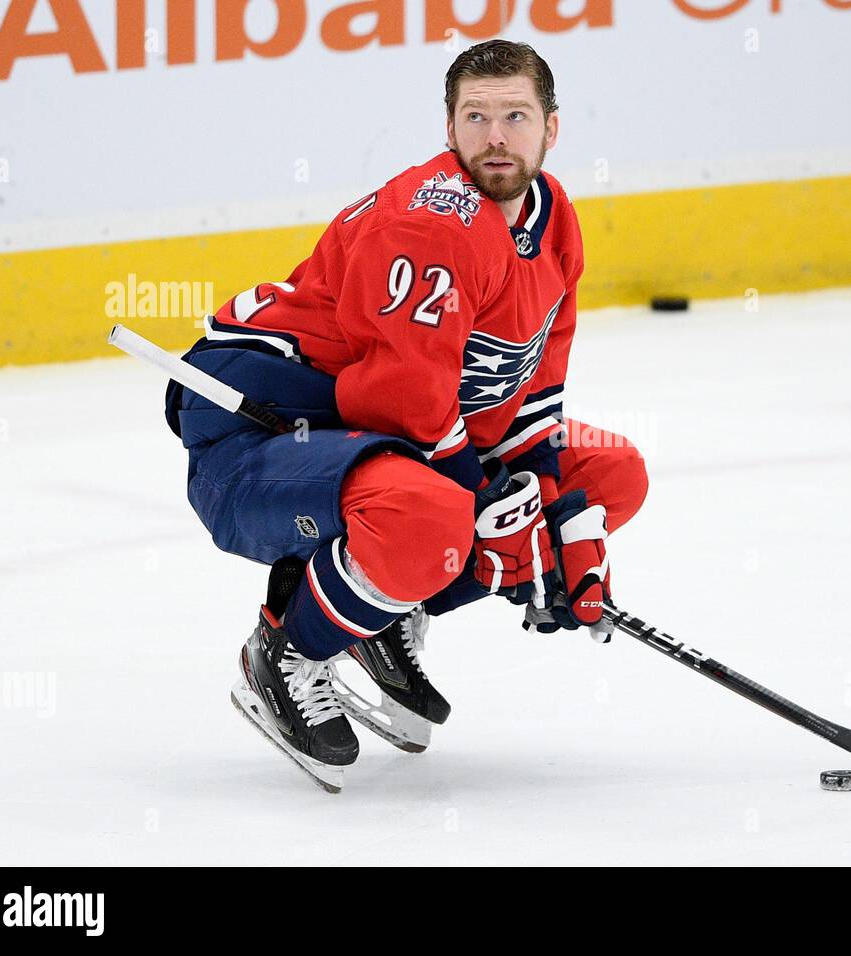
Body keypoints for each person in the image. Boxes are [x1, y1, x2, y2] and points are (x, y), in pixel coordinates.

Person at [163, 39, 648, 792]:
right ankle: (288, 648)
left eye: (515, 116)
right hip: (260, 426)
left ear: (552, 128)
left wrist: (559, 520)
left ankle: (374, 611)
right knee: (437, 520)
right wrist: (489, 513)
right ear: (448, 125)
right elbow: (403, 398)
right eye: (475, 116)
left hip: (376, 433)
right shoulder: (434, 223)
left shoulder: (553, 223)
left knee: (610, 472)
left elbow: (530, 392)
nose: (495, 136)